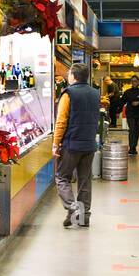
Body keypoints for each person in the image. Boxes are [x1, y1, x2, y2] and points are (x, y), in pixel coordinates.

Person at [53, 62, 100, 228]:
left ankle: (72, 209)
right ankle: (84, 216)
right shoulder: (95, 93)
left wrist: (55, 143)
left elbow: (61, 121)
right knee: (85, 180)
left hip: (72, 144)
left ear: (73, 76)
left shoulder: (69, 93)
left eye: (69, 74)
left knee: (61, 177)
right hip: (89, 144)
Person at [119, 76, 139, 154]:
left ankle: (134, 147)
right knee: (132, 130)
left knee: (137, 131)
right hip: (130, 114)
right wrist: (117, 111)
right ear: (131, 82)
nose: (134, 83)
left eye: (135, 81)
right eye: (132, 81)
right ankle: (131, 148)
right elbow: (122, 102)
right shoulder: (127, 92)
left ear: (138, 82)